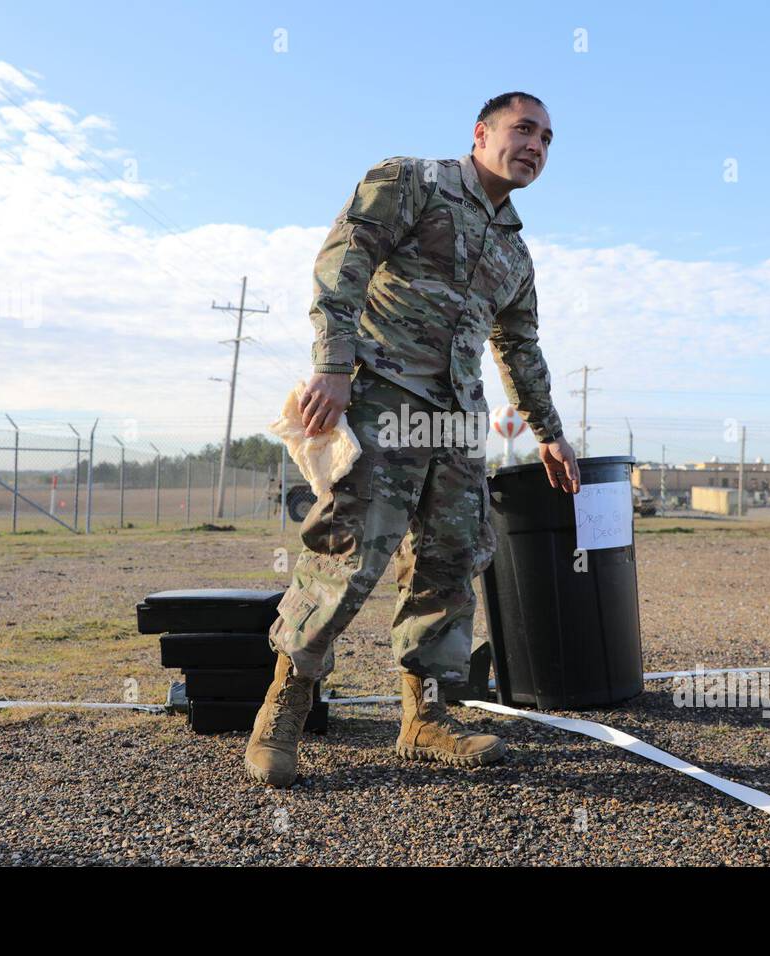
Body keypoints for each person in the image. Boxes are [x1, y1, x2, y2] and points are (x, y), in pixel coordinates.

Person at [246, 92, 581, 788]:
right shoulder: (412, 182)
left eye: (547, 139)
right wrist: (334, 367)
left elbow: (518, 348)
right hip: (383, 398)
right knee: (350, 554)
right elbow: (344, 262)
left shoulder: (515, 252)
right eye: (524, 130)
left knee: (450, 562)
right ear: (482, 133)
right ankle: (284, 704)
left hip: (458, 421)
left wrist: (548, 434)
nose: (536, 147)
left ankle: (425, 715)